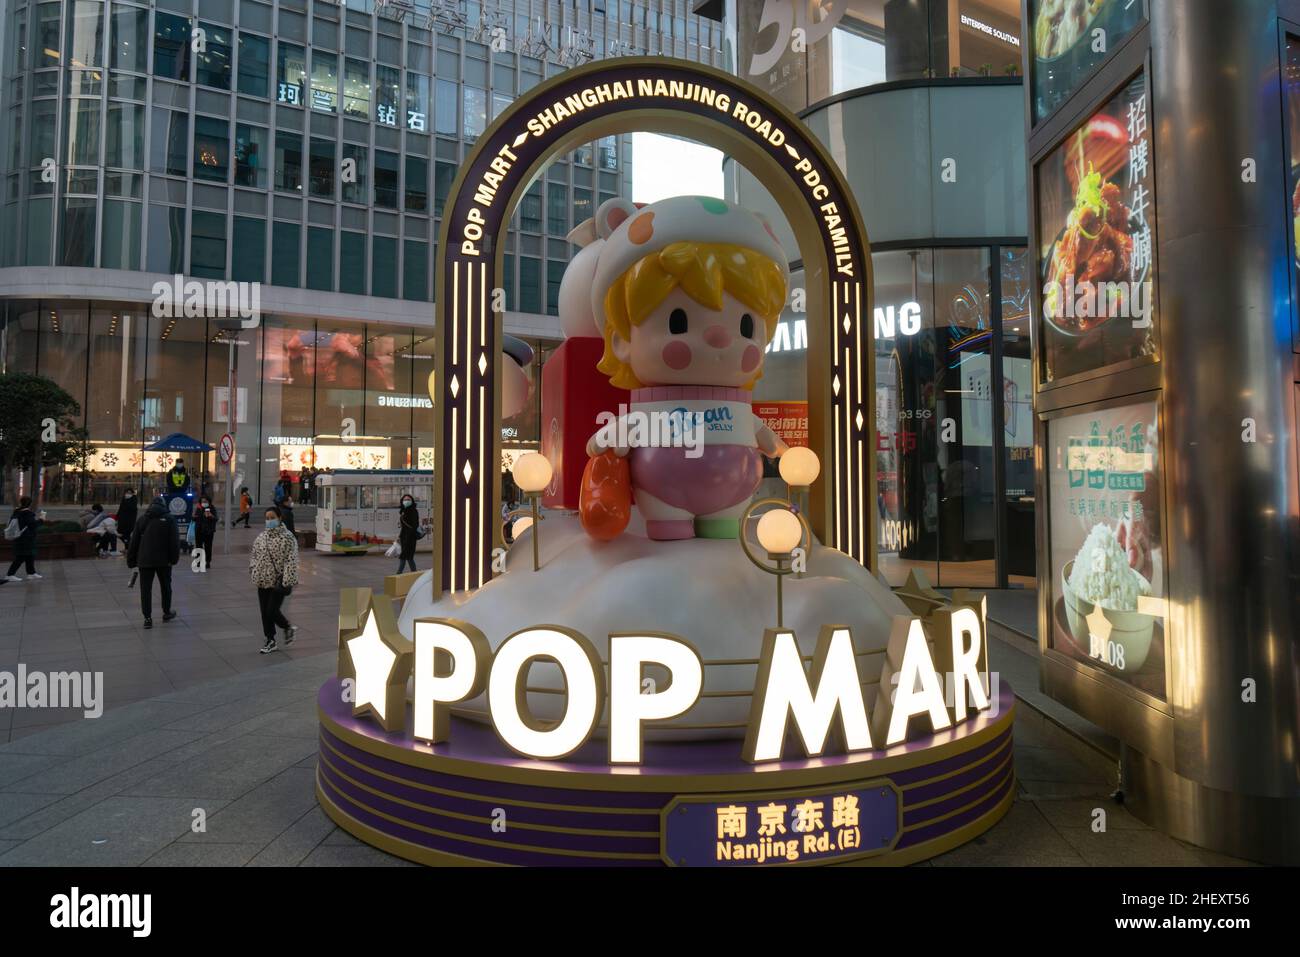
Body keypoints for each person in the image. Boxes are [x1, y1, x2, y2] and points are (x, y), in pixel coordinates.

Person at [249, 508, 299, 654]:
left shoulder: (288, 537)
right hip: (262, 579)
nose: (269, 520)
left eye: (272, 517)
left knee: (271, 610)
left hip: (279, 581)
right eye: (267, 517)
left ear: (279, 518)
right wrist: (253, 570)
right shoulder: (261, 537)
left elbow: (291, 560)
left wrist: (287, 580)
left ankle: (287, 627)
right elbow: (254, 555)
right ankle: (270, 640)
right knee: (264, 612)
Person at [126, 497, 179, 628]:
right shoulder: (170, 519)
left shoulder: (142, 519)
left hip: (145, 560)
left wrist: (131, 561)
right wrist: (173, 559)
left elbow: (134, 542)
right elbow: (174, 542)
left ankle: (147, 619)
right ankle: (166, 612)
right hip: (164, 560)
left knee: (145, 590)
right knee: (166, 587)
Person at [3, 497, 45, 582]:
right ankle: (10, 574)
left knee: (29, 555)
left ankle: (31, 573)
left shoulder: (17, 512)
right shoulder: (27, 513)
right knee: (21, 557)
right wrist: (41, 519)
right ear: (30, 504)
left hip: (19, 537)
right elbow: (33, 525)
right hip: (26, 538)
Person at [192, 495, 219, 568]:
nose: (203, 503)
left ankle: (208, 562)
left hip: (208, 531)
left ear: (208, 502)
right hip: (199, 530)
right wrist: (194, 517)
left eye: (205, 501)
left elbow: (216, 518)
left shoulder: (212, 508)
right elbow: (194, 518)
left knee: (208, 547)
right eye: (202, 501)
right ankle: (199, 561)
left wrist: (211, 516)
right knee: (199, 547)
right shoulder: (199, 508)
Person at [397, 494, 420, 574]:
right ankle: (414, 573)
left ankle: (398, 574)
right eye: (405, 499)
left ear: (412, 501)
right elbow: (404, 527)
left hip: (410, 538)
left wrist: (408, 538)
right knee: (409, 558)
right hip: (404, 537)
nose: (406, 501)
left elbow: (414, 526)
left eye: (408, 499)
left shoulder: (413, 511)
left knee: (404, 556)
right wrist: (400, 537)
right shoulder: (403, 511)